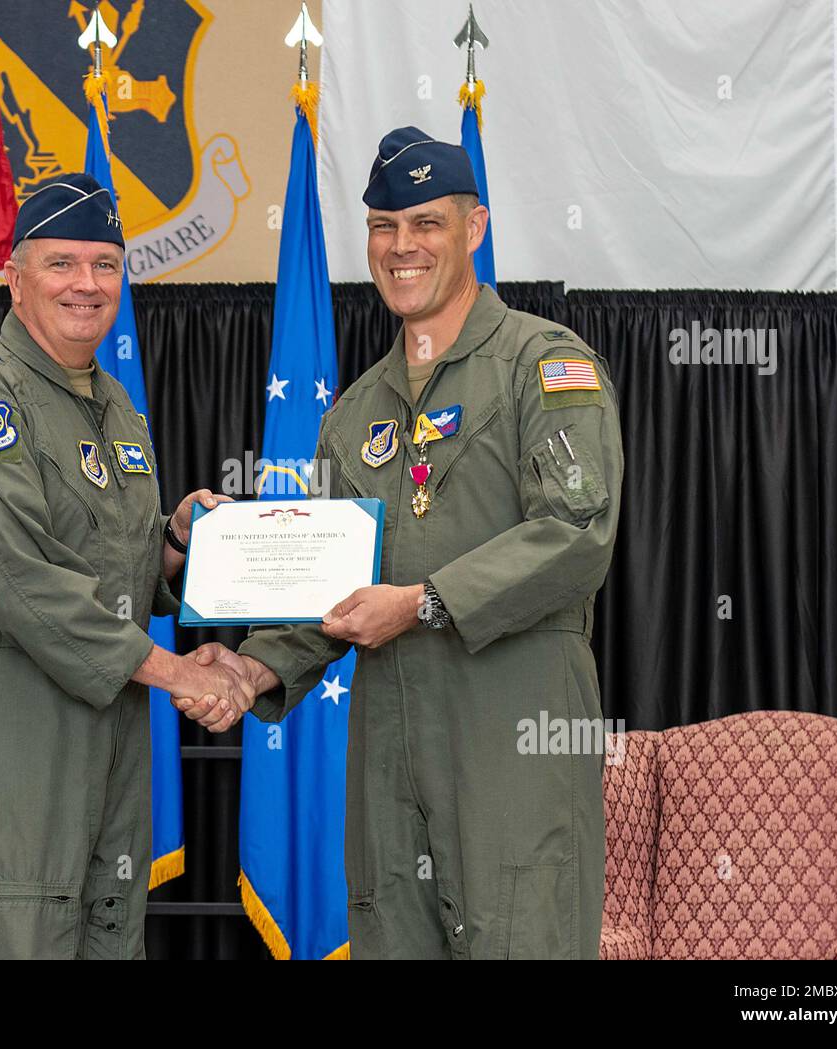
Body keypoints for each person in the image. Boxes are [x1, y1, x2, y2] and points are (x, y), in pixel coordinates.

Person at [179, 126, 625, 959]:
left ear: (475, 227)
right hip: (388, 754)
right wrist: (252, 667)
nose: (401, 246)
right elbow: (334, 587)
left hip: (511, 742)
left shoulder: (546, 365)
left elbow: (575, 533)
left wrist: (422, 603)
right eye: (384, 227)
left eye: (425, 223)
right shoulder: (353, 414)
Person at [0, 172, 251, 959]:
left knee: (103, 931)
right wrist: (181, 673)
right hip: (9, 746)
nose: (85, 285)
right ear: (13, 279)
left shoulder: (113, 408)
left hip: (106, 741)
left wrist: (179, 539)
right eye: (61, 264)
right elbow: (23, 581)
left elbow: (109, 568)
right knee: (10, 934)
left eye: (104, 265)